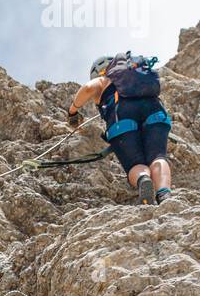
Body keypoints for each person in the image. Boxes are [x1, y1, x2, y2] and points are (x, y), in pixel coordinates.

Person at [67, 53, 173, 205]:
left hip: (122, 118)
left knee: (135, 164)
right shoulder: (136, 74)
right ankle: (164, 195)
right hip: (155, 111)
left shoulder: (105, 79)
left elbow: (89, 88)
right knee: (158, 157)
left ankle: (143, 179)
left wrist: (72, 112)